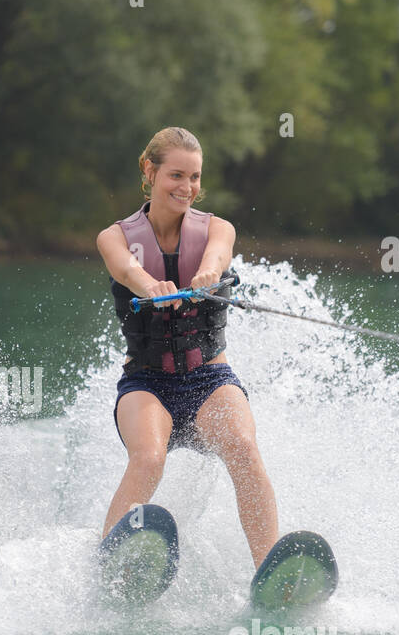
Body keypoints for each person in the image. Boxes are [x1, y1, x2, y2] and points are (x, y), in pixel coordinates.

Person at [95, 126, 279, 570]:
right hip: (146, 384)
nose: (187, 188)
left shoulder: (218, 228)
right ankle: (106, 568)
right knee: (149, 458)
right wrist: (151, 285)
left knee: (243, 446)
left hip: (208, 380)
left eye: (195, 177)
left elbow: (218, 254)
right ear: (150, 171)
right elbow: (126, 270)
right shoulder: (114, 237)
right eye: (177, 175)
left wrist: (207, 275)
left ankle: (271, 570)